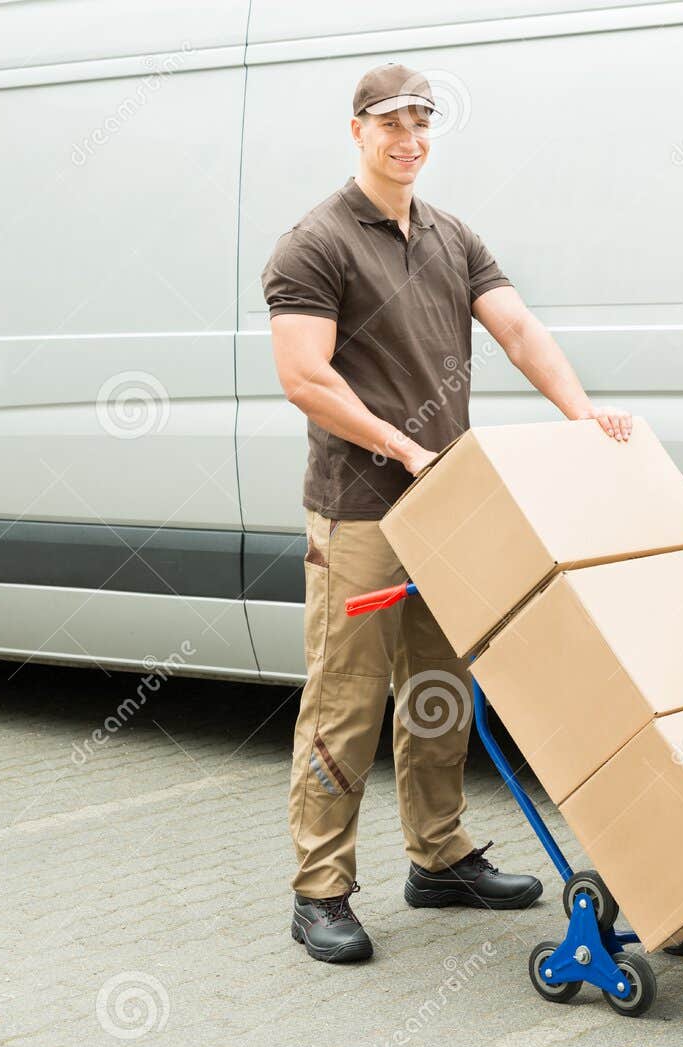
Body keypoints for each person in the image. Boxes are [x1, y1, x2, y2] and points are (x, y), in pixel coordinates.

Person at [263, 62, 632, 964]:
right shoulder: (313, 242)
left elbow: (517, 328)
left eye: (421, 122)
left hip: (446, 505)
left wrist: (582, 416)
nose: (408, 139)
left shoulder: (451, 235)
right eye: (389, 123)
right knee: (346, 702)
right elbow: (304, 378)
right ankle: (321, 890)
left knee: (440, 689)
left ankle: (440, 858)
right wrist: (401, 448)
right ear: (357, 131)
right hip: (360, 512)